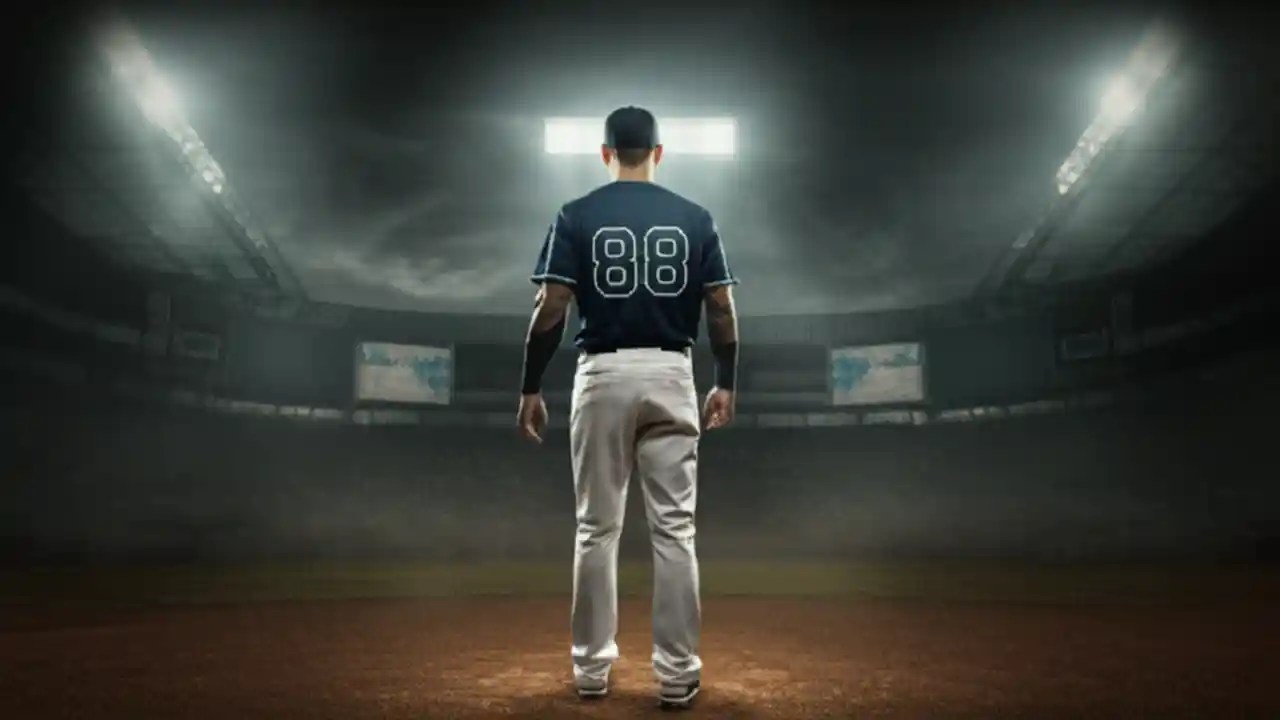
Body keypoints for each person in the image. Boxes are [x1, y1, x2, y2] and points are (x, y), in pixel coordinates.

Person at [516, 106, 739, 709]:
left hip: (604, 372)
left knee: (596, 529)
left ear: (605, 152)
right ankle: (677, 674)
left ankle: (591, 671)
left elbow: (553, 305)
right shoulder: (696, 217)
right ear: (660, 153)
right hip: (672, 370)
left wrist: (530, 385)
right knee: (676, 532)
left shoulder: (576, 214)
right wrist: (725, 381)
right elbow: (720, 307)